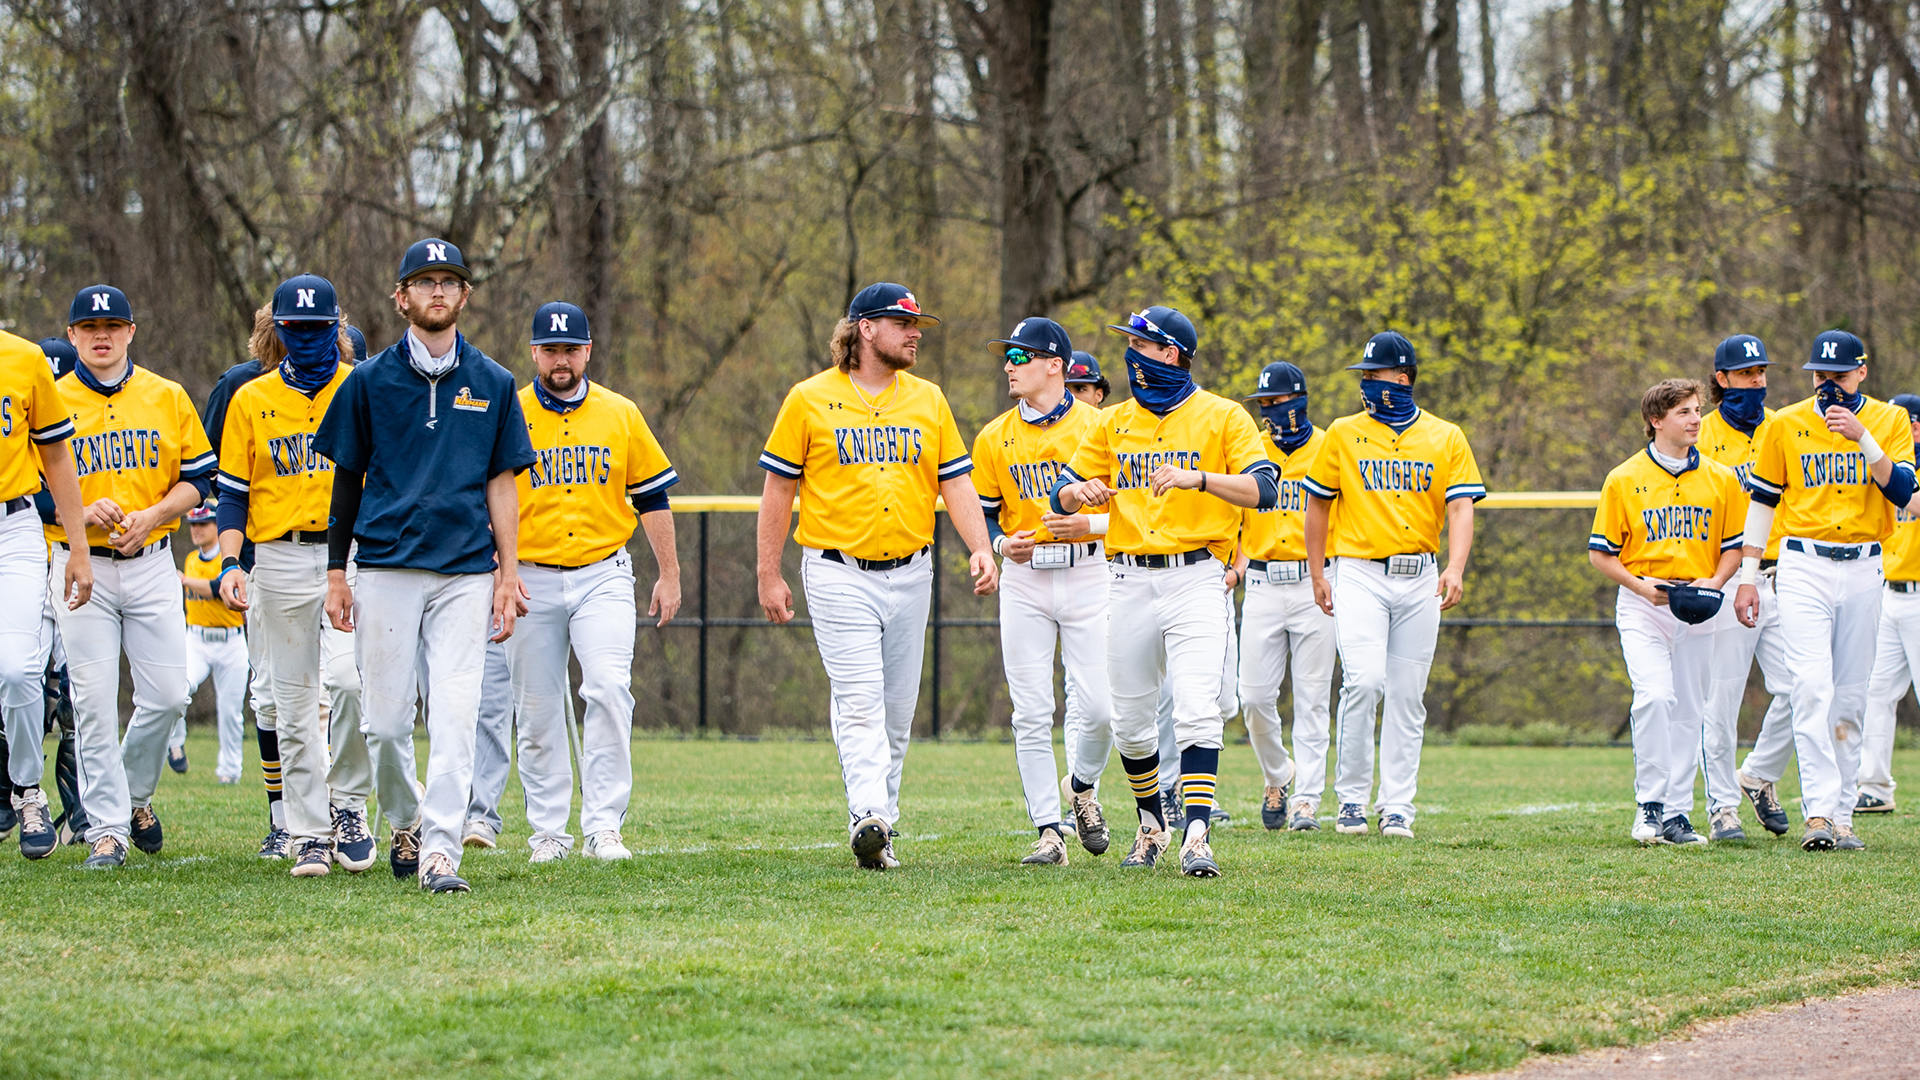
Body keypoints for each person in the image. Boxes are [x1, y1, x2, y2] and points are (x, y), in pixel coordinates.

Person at [314, 238, 536, 893]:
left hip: (466, 573)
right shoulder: (368, 381)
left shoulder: (493, 382)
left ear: (464, 295)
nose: (437, 291)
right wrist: (334, 572)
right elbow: (346, 480)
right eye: (424, 281)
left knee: (455, 714)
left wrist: (508, 572)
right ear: (401, 296)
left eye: (449, 281)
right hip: (383, 568)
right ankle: (406, 819)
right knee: (383, 726)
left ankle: (442, 851)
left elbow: (502, 483)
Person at [757, 282, 997, 871]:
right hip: (839, 571)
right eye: (902, 322)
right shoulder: (810, 398)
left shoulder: (928, 399)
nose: (916, 333)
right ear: (865, 328)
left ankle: (879, 829)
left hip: (912, 571)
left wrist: (981, 546)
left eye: (919, 324)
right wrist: (768, 571)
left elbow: (956, 481)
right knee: (860, 701)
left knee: (896, 710)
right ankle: (866, 813)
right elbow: (779, 488)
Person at [1054, 305, 1280, 877]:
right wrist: (1079, 494)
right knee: (1130, 720)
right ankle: (1151, 826)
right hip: (1127, 577)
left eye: (1142, 344)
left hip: (1196, 575)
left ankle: (1197, 835)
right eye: (1128, 342)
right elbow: (1062, 489)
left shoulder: (1223, 416)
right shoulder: (1112, 421)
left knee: (1198, 709)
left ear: (1171, 354)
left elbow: (1264, 489)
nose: (1131, 354)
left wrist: (1198, 479)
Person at [501, 301, 681, 863]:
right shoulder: (509, 411)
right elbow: (489, 495)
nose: (561, 359)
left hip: (604, 570)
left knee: (607, 689)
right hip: (529, 574)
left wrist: (670, 573)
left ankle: (604, 825)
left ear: (588, 351)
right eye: (550, 349)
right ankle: (549, 832)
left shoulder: (620, 412)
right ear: (534, 352)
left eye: (570, 348)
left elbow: (651, 494)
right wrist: (499, 573)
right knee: (535, 708)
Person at [217, 274, 378, 878]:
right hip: (278, 556)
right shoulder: (250, 399)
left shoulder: (361, 386)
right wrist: (230, 562)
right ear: (278, 329)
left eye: (319, 328)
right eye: (297, 328)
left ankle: (350, 808)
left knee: (349, 682)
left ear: (337, 327)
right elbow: (233, 494)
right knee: (291, 701)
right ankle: (307, 830)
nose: (309, 338)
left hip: (351, 554)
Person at [51, 284, 215, 869]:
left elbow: (201, 479)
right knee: (93, 701)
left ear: (130, 332)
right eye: (90, 327)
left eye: (114, 325)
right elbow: (26, 488)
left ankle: (133, 794)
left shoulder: (166, 396)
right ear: (71, 336)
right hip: (81, 565)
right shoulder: (52, 398)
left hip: (150, 565)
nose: (102, 335)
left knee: (170, 695)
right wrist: (77, 511)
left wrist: (154, 515)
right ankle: (109, 830)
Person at [1734, 329, 1917, 851]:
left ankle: (1843, 816)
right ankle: (1818, 814)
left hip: (1864, 566)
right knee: (1811, 687)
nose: (1827, 386)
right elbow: (1763, 504)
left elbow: (1905, 492)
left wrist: (1862, 436)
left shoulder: (1889, 420)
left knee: (1851, 697)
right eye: (1819, 375)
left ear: (1861, 372)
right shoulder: (1787, 423)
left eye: (1837, 376)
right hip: (1804, 564)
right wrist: (1748, 579)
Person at [1303, 330, 1484, 840]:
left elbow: (1460, 506)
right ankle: (1353, 801)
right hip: (1359, 570)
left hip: (1420, 575)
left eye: (1373, 375)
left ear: (1402, 379)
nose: (1365, 384)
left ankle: (1398, 805)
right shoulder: (1342, 431)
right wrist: (1319, 572)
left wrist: (1456, 566)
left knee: (1408, 695)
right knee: (1363, 682)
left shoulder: (1446, 435)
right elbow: (1318, 504)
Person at [971, 317, 1112, 865]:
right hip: (1026, 579)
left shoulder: (1101, 426)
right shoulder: (993, 436)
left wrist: (1093, 527)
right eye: (1007, 356)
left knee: (1101, 709)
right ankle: (1049, 831)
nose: (1009, 365)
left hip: (1089, 570)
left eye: (1021, 356)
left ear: (1055, 364)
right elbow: (980, 515)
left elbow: (1133, 509)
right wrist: (1001, 546)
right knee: (1030, 710)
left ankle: (1081, 788)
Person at [1589, 379, 1748, 845]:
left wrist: (1715, 583)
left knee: (1690, 712)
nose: (1696, 419)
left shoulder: (1720, 478)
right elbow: (1601, 553)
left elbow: (1734, 549)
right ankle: (1650, 806)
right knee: (1656, 697)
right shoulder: (1624, 477)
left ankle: (1678, 815)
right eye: (1683, 412)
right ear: (1656, 421)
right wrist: (1642, 588)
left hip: (1699, 605)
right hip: (1644, 604)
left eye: (1697, 410)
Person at [1695, 335, 1794, 839]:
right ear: (1722, 379)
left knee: (1803, 690)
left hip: (1785, 574)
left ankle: (1757, 774)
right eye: (1747, 374)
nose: (1758, 381)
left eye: (1762, 373)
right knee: (1723, 698)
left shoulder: (1783, 427)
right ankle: (1722, 807)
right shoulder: (1700, 432)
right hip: (1730, 576)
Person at [0, 327, 91, 861]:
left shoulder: (23, 357)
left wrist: (77, 548)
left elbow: (57, 456)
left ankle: (27, 790)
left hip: (14, 524)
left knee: (18, 670)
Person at [1236, 362, 1335, 832]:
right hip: (1260, 579)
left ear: (1299, 399)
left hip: (1315, 579)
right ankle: (1277, 773)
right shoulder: (1252, 447)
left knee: (1314, 697)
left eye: (1276, 402)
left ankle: (1306, 801)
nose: (1271, 412)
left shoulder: (1328, 446)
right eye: (1264, 405)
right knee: (1253, 697)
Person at [1854, 392, 1920, 814]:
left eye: (1912, 422)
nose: (1909, 429)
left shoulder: (1899, 472)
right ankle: (1874, 786)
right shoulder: (1881, 467)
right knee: (1875, 692)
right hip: (1887, 593)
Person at [177, 503, 246, 785]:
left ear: (217, 525)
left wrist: (183, 581)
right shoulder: (192, 559)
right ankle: (175, 742)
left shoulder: (229, 560)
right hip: (197, 639)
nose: (196, 529)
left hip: (231, 641)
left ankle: (229, 771)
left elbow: (219, 589)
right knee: (178, 689)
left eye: (203, 524)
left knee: (231, 712)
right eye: (193, 524)